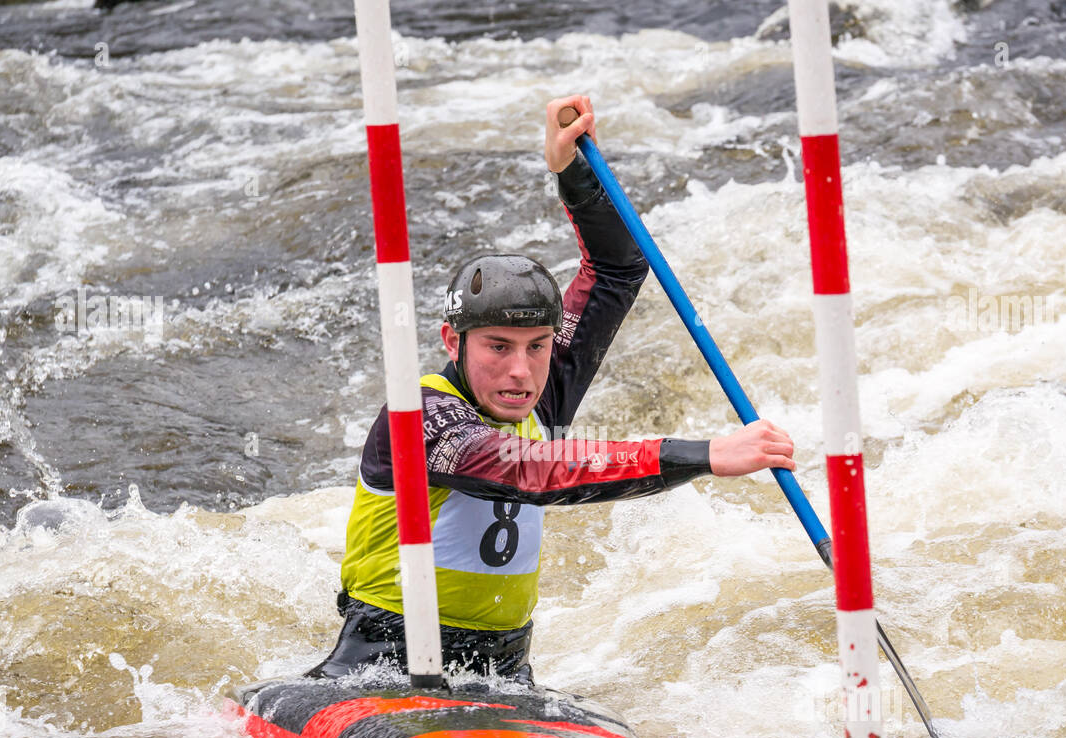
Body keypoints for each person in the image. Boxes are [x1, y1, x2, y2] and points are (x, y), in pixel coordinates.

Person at [307, 94, 796, 684]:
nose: (521, 371)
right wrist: (703, 455)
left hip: (505, 669)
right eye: (497, 347)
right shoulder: (420, 416)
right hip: (383, 664)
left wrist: (573, 171)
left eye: (538, 346)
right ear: (451, 340)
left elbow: (618, 269)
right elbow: (531, 472)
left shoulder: (541, 391)